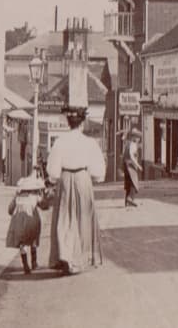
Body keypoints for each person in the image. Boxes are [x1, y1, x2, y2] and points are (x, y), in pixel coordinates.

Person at [46, 104, 106, 275]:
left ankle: (65, 256)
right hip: (82, 179)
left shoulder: (60, 141)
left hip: (65, 179)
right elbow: (98, 170)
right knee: (83, 218)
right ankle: (79, 258)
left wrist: (53, 179)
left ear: (68, 123)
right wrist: (96, 178)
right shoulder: (89, 142)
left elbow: (53, 170)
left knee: (64, 219)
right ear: (82, 123)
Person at [6, 174, 51, 274]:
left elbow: (10, 210)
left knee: (23, 244)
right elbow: (44, 206)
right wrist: (45, 196)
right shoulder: (35, 197)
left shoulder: (17, 198)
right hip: (31, 220)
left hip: (18, 222)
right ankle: (34, 263)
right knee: (33, 241)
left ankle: (25, 265)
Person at [123, 128, 142, 207]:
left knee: (128, 183)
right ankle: (130, 199)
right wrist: (138, 166)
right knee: (133, 183)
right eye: (138, 138)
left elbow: (124, 155)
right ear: (134, 137)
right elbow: (131, 156)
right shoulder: (133, 144)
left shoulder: (127, 144)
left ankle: (126, 202)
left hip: (126, 165)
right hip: (131, 166)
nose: (138, 139)